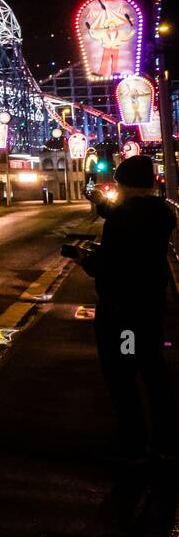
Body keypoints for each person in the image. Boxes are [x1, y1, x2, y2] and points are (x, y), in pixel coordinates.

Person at [74, 155, 177, 460]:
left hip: (120, 310)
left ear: (126, 185)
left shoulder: (123, 218)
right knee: (153, 370)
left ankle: (133, 441)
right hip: (150, 305)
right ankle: (165, 438)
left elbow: (111, 264)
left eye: (119, 184)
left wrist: (86, 259)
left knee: (121, 375)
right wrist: (99, 202)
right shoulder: (162, 212)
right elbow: (123, 218)